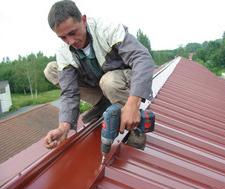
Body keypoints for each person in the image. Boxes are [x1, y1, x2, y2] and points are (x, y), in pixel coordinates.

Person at [44, 0, 155, 149]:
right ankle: (104, 104)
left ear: (83, 20)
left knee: (108, 81)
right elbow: (69, 92)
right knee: (51, 69)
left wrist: (133, 103)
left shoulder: (107, 29)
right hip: (99, 86)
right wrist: (63, 127)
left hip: (124, 82)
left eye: (72, 32)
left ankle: (134, 126)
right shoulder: (64, 51)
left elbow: (142, 58)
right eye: (63, 37)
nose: (70, 41)